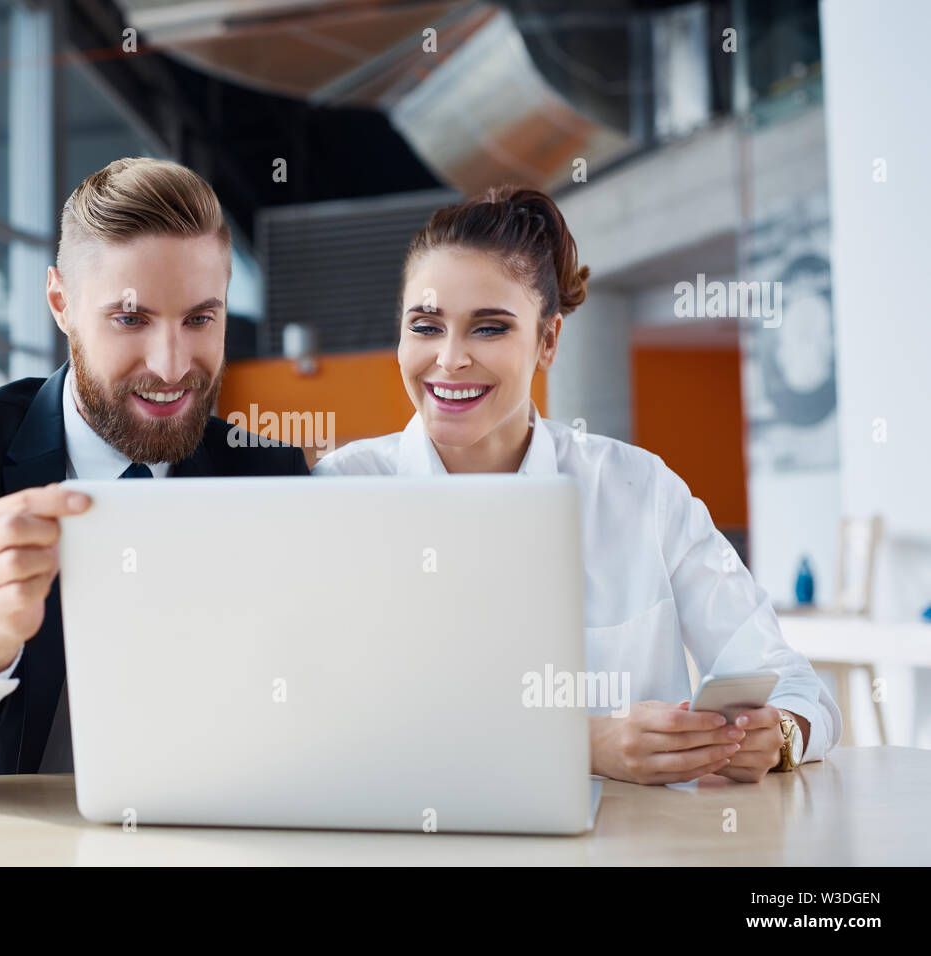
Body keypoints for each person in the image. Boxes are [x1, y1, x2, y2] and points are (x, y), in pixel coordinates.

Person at [313, 185, 841, 786]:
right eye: (426, 326)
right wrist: (579, 742)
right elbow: (325, 714)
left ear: (549, 340)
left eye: (489, 329)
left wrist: (780, 735)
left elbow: (793, 682)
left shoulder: (640, 491)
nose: (451, 358)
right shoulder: (341, 491)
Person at [0, 158, 308, 790]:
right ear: (61, 303)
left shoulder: (268, 475)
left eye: (200, 319)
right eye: (130, 319)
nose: (171, 367)